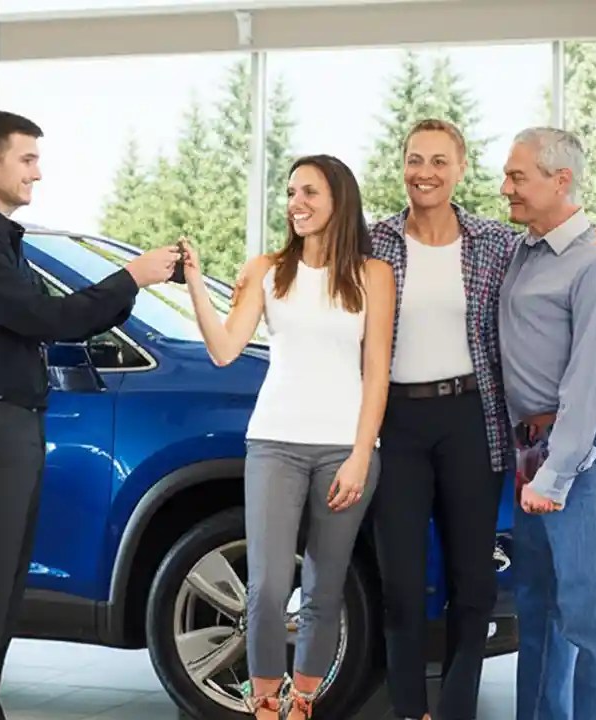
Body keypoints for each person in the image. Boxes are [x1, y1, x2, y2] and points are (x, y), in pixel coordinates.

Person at [0, 109, 181, 720]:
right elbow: (44, 320)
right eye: (27, 159)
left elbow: (43, 325)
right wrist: (130, 278)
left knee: (4, 586)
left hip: (11, 422)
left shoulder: (0, 241)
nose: (37, 173)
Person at [181, 154, 395, 720]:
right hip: (274, 442)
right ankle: (265, 703)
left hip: (344, 451)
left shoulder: (374, 275)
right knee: (269, 587)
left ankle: (303, 703)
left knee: (325, 589)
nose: (296, 203)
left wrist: (359, 454)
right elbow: (225, 350)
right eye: (292, 192)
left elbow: (377, 373)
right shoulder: (269, 270)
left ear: (338, 201)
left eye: (310, 193)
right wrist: (197, 284)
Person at [366, 119, 520, 720]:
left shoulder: (493, 241)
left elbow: (554, 263)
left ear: (459, 169)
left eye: (437, 161)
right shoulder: (374, 241)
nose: (423, 172)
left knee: (473, 584)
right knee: (401, 583)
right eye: (413, 160)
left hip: (469, 417)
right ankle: (409, 709)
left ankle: (455, 709)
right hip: (397, 421)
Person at [499, 127, 596, 720]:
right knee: (539, 615)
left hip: (577, 460)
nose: (505, 187)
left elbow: (589, 386)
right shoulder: (521, 251)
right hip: (531, 453)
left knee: (590, 620)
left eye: (517, 177)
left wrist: (553, 477)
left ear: (562, 181)